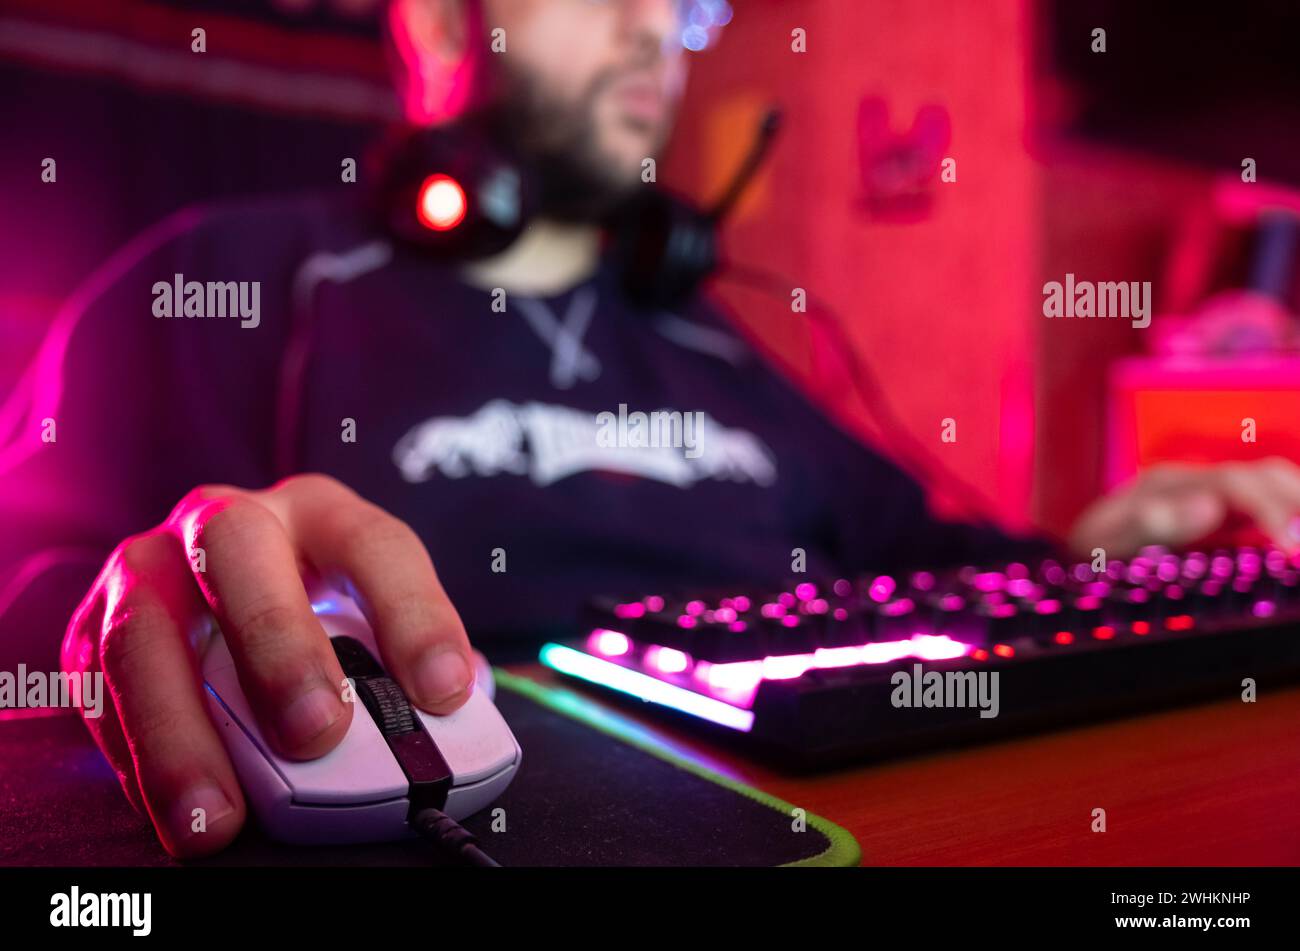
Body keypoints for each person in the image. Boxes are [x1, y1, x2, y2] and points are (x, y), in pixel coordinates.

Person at [2, 0, 1299, 858]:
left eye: (681, 7)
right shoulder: (224, 279)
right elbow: (35, 598)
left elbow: (931, 571)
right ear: (446, 22)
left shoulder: (728, 349)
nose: (653, 36)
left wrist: (1095, 553)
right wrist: (138, 610)